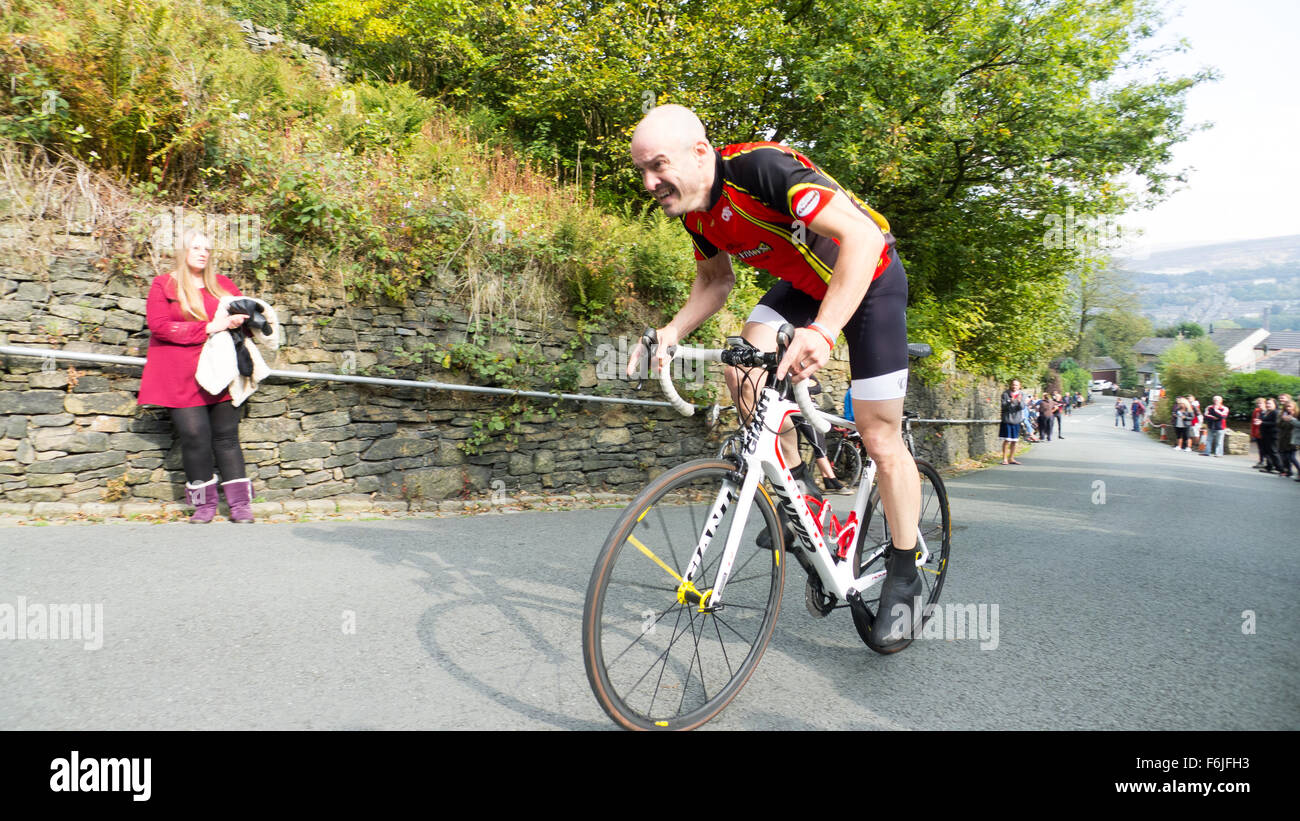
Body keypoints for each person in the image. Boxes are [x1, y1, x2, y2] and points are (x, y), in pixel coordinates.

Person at [626, 105, 920, 652]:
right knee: (744, 364)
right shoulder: (695, 212)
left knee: (881, 437)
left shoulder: (760, 169)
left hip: (871, 277)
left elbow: (861, 237)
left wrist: (826, 330)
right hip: (804, 285)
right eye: (641, 171)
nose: (650, 183)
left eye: (658, 166)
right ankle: (801, 498)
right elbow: (716, 282)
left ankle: (905, 573)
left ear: (699, 152)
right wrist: (671, 330)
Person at [138, 228, 256, 523]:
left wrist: (247, 319)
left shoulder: (223, 284)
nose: (203, 253)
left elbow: (246, 320)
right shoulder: (164, 284)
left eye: (207, 249)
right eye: (196, 248)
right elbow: (160, 326)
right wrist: (210, 327)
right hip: (178, 373)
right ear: (182, 251)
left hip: (220, 370)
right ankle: (204, 505)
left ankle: (240, 505)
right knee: (194, 437)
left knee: (227, 437)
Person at [1000, 379, 1025, 465]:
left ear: (1019, 386)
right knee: (1007, 440)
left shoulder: (1022, 394)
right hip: (1007, 419)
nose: (1014, 386)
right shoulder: (1005, 394)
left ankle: (1011, 458)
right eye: (1013, 385)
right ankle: (1004, 459)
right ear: (1011, 385)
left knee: (1014, 441)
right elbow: (1003, 406)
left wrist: (1018, 402)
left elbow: (1022, 407)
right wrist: (1010, 401)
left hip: (1017, 420)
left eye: (1016, 385)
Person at [1255, 399, 1282, 473]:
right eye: (1267, 403)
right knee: (1266, 451)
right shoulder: (1267, 412)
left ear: (1275, 404)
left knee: (1273, 452)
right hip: (1265, 435)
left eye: (1269, 403)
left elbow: (1275, 423)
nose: (1267, 405)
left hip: (1273, 435)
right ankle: (1269, 466)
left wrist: (1262, 422)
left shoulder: (1276, 412)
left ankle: (1279, 468)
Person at [1277, 399, 1299, 478]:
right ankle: (1288, 471)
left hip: (1293, 438)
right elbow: (1279, 425)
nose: (1288, 408)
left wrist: (1291, 419)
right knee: (1284, 456)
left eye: (1289, 406)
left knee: (1291, 457)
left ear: (1294, 407)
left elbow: (1296, 426)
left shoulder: (1297, 415)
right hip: (1283, 438)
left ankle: (1299, 471)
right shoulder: (1283, 414)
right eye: (1286, 407)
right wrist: (1283, 419)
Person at [1249, 398, 1266, 466]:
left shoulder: (1267, 411)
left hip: (1265, 432)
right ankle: (1261, 461)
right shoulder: (1256, 411)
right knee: (1260, 448)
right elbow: (1253, 422)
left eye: (1261, 403)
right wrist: (1253, 433)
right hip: (1257, 432)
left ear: (1264, 404)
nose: (1259, 405)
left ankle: (1267, 462)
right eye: (1258, 403)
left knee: (1265, 448)